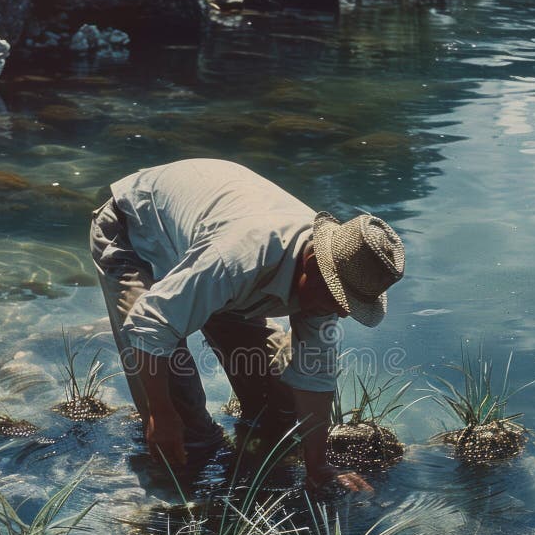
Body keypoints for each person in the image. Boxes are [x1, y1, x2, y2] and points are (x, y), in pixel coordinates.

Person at [90, 159, 405, 493]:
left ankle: (246, 457)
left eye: (349, 304)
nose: (341, 314)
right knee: (184, 429)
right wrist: (160, 413)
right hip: (132, 231)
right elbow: (151, 324)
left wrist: (319, 467)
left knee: (279, 406)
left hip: (214, 256)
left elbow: (315, 376)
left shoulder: (334, 276)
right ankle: (175, 503)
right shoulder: (239, 259)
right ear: (313, 264)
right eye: (337, 300)